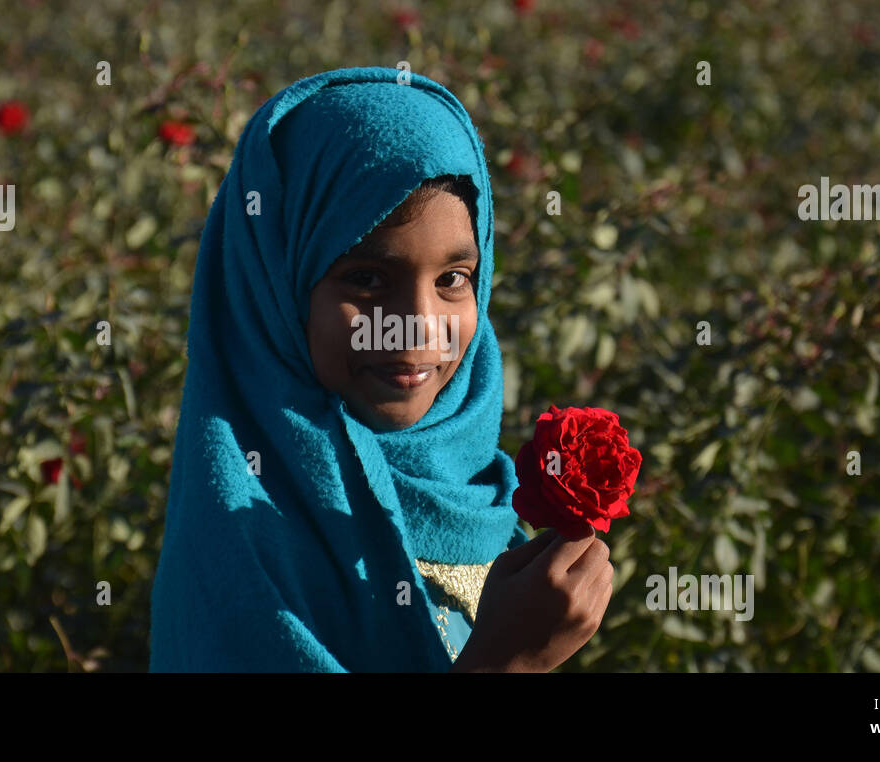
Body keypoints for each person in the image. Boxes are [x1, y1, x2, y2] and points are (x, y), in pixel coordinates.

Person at [150, 66, 613, 672]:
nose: (418, 325)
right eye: (367, 279)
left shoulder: (478, 490)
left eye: (453, 280)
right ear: (275, 287)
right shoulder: (240, 547)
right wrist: (508, 661)